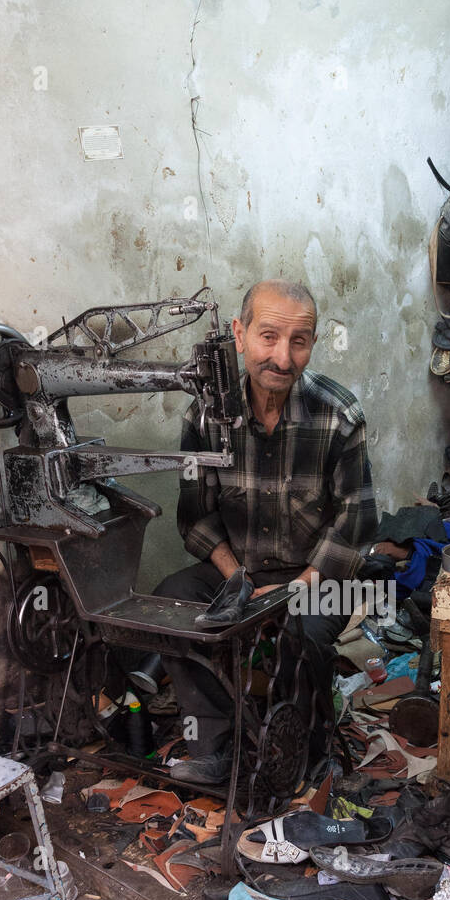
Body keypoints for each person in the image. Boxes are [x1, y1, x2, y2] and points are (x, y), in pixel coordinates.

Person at [156, 279, 379, 785]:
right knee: (173, 602)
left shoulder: (338, 416)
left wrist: (299, 586)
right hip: (239, 571)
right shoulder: (205, 415)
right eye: (268, 337)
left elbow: (357, 520)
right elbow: (195, 517)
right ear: (239, 334)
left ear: (313, 344)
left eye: (298, 341)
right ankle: (216, 747)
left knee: (303, 632)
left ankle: (305, 751)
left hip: (315, 578)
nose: (282, 357)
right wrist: (238, 580)